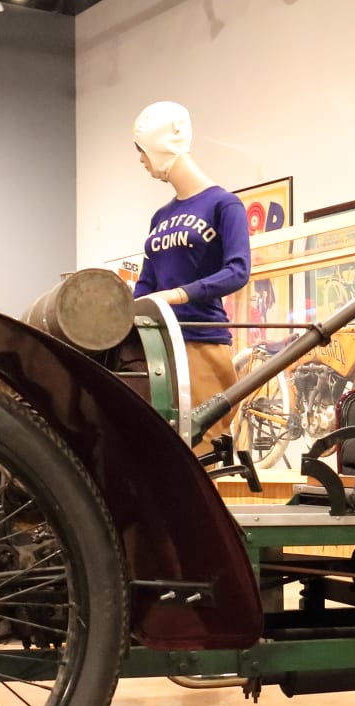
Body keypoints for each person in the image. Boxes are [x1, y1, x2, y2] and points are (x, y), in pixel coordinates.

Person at [131, 100, 250, 451]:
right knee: (157, 446)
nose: (141, 160)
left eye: (142, 151)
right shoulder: (159, 217)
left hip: (201, 340)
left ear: (157, 145)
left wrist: (178, 295)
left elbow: (238, 271)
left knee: (200, 447)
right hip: (159, 347)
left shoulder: (224, 205)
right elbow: (147, 282)